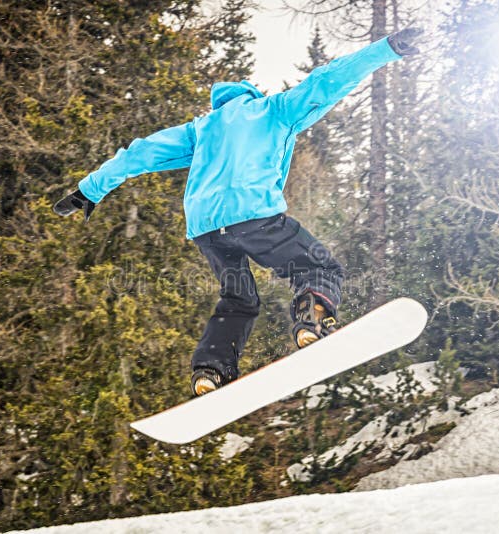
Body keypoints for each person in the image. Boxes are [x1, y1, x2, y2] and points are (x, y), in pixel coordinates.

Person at [54, 28, 424, 396]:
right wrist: (385, 50)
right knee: (319, 269)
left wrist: (88, 190)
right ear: (251, 95)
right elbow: (327, 81)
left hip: (207, 230)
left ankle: (210, 372)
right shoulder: (273, 110)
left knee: (239, 298)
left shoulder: (201, 128)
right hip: (253, 215)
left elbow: (140, 153)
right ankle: (311, 320)